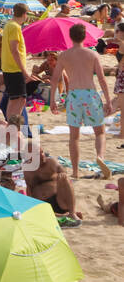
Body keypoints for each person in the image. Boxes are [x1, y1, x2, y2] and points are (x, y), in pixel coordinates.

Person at [49, 21, 112, 179]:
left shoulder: (64, 55)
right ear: (85, 37)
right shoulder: (92, 55)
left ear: (70, 37)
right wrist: (109, 100)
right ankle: (100, 157)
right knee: (99, 132)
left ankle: (75, 171)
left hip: (74, 96)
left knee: (74, 136)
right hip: (90, 94)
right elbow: (103, 80)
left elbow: (55, 78)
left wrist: (52, 100)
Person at [0, 2, 35, 125]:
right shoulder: (15, 27)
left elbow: (14, 50)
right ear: (24, 14)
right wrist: (25, 72)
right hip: (14, 69)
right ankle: (12, 126)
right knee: (20, 99)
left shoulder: (9, 24)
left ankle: (10, 124)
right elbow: (14, 50)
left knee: (15, 98)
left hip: (9, 67)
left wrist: (26, 54)